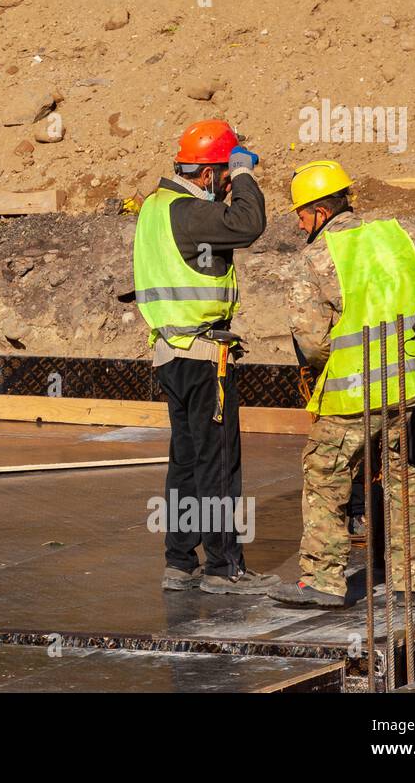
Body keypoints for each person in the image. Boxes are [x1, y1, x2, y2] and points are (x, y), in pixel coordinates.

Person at [270, 160, 415, 608]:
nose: (299, 223)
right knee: (410, 484)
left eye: (301, 214)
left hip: (352, 397)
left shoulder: (316, 259)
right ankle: (410, 583)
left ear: (320, 212)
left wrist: (332, 356)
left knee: (327, 480)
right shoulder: (401, 234)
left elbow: (312, 341)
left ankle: (323, 580)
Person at [132, 119, 279, 595]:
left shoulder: (154, 208)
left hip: (170, 352)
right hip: (202, 354)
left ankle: (179, 561)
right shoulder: (188, 211)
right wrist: (243, 173)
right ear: (209, 174)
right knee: (218, 461)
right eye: (222, 174)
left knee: (187, 461)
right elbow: (248, 224)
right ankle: (222, 567)